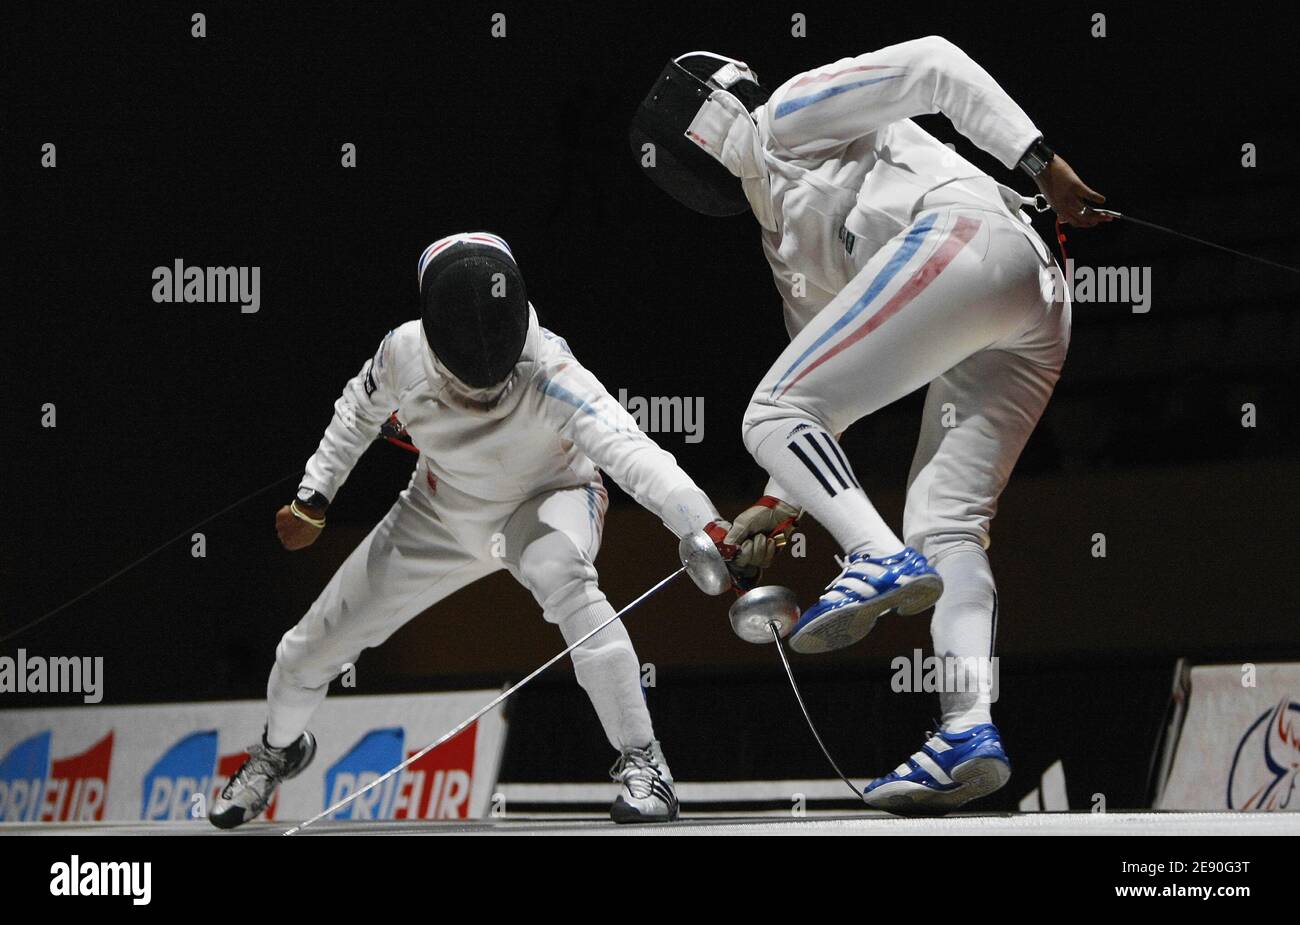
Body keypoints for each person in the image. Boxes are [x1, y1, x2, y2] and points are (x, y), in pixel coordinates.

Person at [632, 38, 1108, 814]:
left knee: (771, 410)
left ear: (700, 121)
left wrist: (1040, 164)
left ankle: (874, 557)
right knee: (945, 524)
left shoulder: (785, 115)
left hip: (977, 237)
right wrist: (776, 507)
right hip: (1028, 303)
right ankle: (967, 730)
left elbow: (936, 64)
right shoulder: (783, 248)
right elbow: (828, 397)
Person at [211, 232, 752, 828]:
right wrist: (313, 498)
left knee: (562, 574)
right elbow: (355, 414)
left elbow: (633, 455)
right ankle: (276, 751)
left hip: (551, 500)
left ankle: (644, 762)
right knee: (304, 650)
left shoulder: (552, 367)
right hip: (437, 511)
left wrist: (706, 524)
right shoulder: (402, 354)